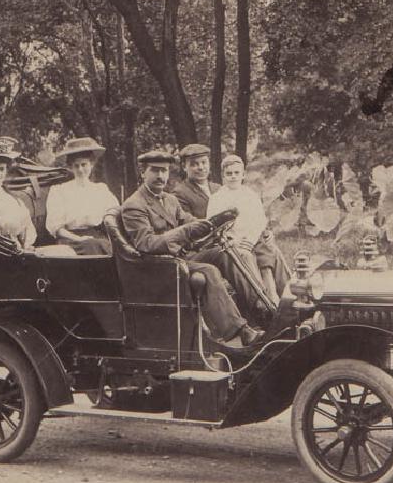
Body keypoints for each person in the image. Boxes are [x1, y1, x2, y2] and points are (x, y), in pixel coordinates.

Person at [120, 150, 263, 347]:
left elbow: (193, 223)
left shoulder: (170, 200)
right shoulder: (133, 205)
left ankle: (260, 311)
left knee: (226, 253)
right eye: (155, 170)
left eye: (165, 171)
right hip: (159, 267)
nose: (161, 176)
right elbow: (146, 244)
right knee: (209, 270)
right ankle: (238, 331)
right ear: (143, 172)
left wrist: (214, 224)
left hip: (182, 258)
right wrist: (186, 231)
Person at [207, 154, 285, 305]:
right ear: (223, 175)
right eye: (229, 174)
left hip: (250, 238)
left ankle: (278, 290)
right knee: (246, 255)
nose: (233, 177)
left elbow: (259, 221)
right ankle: (263, 297)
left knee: (267, 247)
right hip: (232, 241)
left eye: (237, 173)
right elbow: (214, 225)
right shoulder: (217, 198)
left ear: (243, 175)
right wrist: (233, 239)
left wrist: (251, 239)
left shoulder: (250, 195)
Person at [45, 137, 119, 255]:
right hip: (70, 239)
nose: (80, 170)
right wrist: (79, 239)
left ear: (92, 164)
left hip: (97, 237)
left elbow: (114, 213)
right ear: (71, 167)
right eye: (76, 166)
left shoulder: (101, 189)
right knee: (93, 246)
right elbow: (56, 229)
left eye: (84, 164)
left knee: (113, 249)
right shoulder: (59, 191)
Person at [171, 143, 218, 219]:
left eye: (204, 162)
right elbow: (187, 226)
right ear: (184, 167)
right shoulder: (180, 193)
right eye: (194, 164)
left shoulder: (218, 188)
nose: (201, 167)